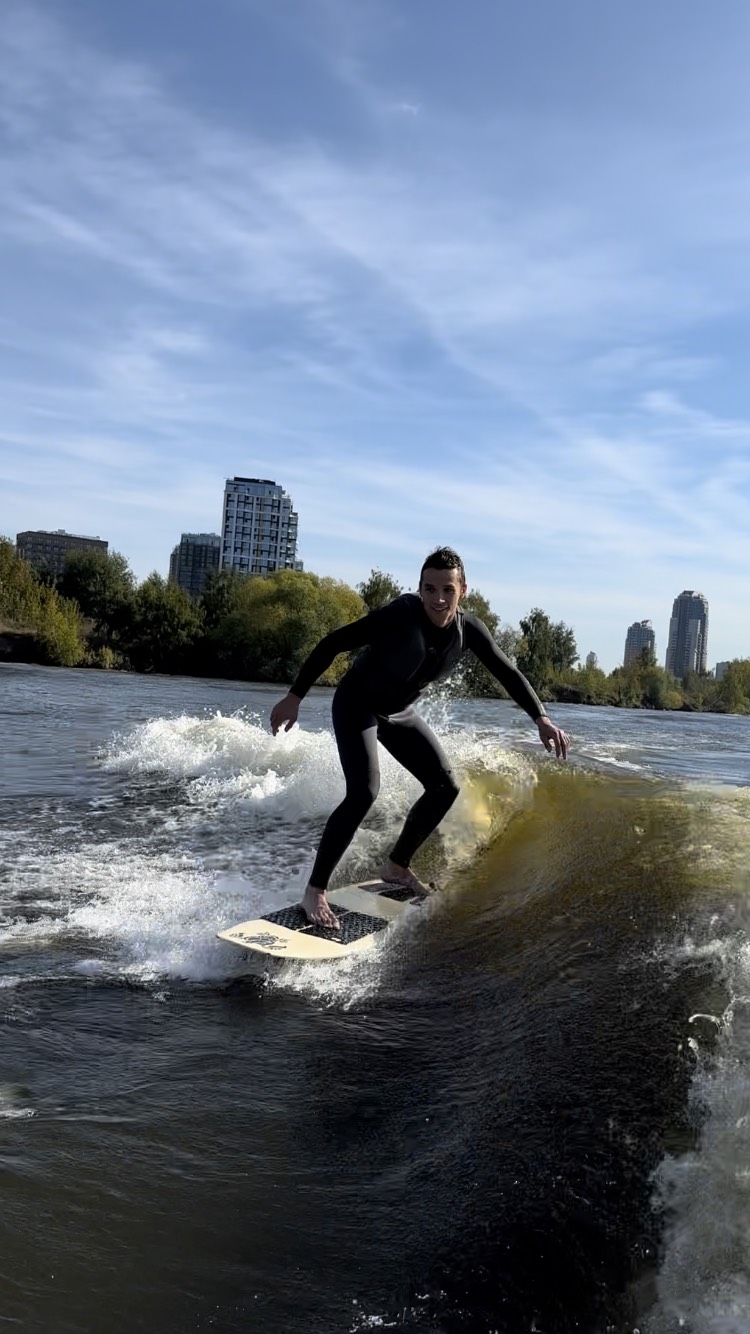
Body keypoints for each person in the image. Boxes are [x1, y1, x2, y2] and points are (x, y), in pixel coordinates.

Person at [270, 547, 569, 928]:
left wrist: (540, 717)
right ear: (420, 588)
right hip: (357, 701)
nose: (437, 599)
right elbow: (333, 643)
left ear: (463, 590)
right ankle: (315, 890)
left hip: (398, 712)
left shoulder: (470, 630)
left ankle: (397, 866)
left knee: (445, 786)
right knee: (363, 791)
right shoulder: (400, 614)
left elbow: (507, 672)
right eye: (429, 589)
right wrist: (295, 696)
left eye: (447, 589)